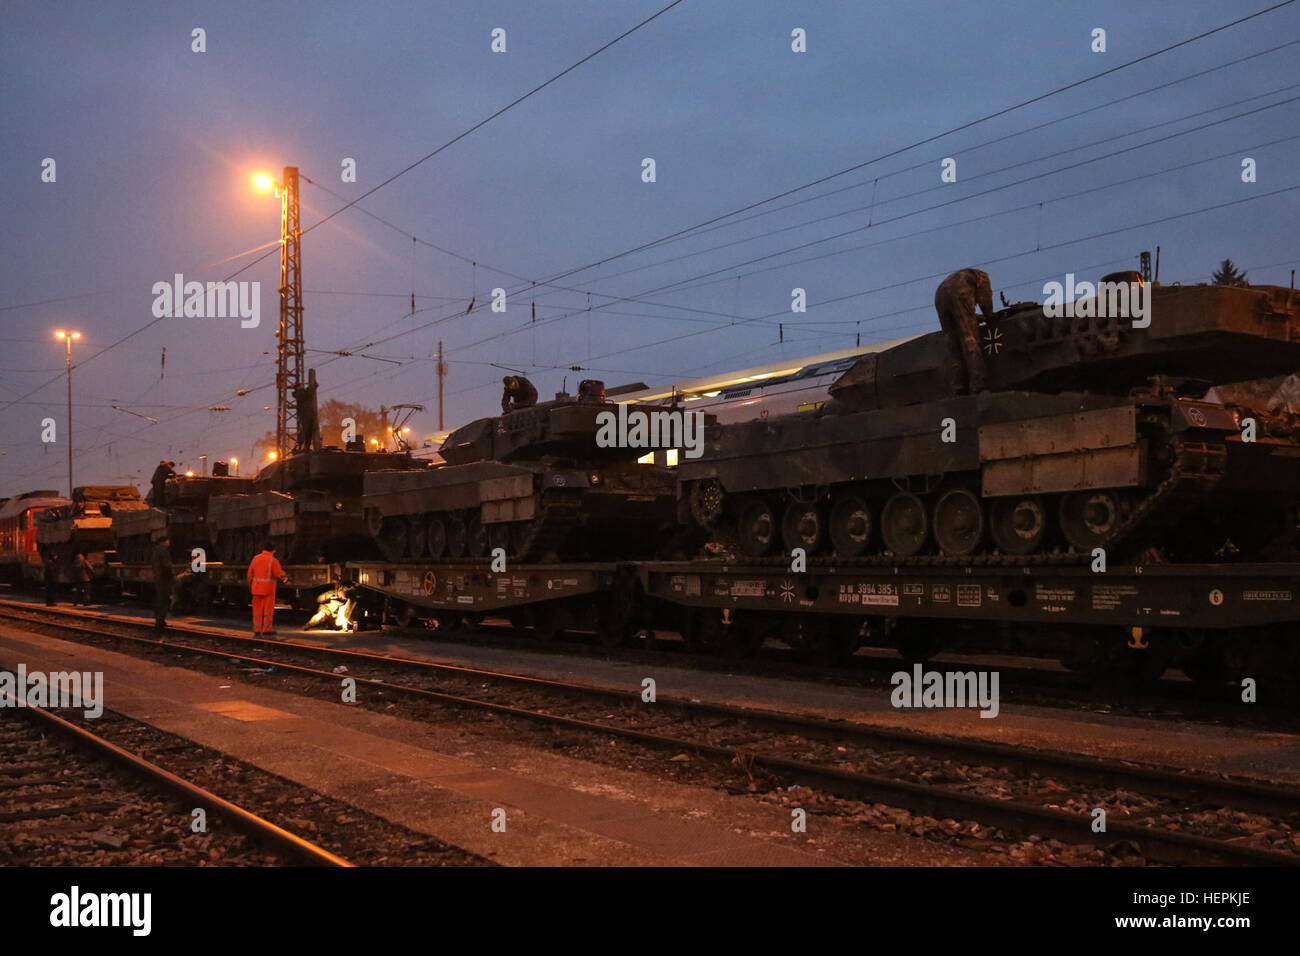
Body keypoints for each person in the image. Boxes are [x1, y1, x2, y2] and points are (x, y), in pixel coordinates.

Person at [934, 268, 994, 394]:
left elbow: (959, 313)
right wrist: (989, 316)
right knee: (970, 339)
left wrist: (975, 316)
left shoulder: (961, 276)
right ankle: (979, 384)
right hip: (959, 288)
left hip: (940, 295)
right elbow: (985, 299)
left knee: (952, 345)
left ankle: (958, 386)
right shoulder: (982, 277)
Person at [247, 541, 287, 636]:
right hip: (268, 590)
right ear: (273, 550)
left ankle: (257, 630)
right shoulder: (273, 560)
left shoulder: (255, 559)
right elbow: (278, 574)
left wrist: (250, 586)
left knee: (257, 611)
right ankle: (266, 630)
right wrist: (285, 577)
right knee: (268, 611)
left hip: (256, 589)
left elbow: (249, 575)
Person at [151, 535, 173, 633]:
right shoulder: (163, 551)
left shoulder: (156, 550)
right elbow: (166, 565)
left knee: (160, 599)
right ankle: (160, 621)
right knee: (164, 599)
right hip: (164, 578)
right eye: (168, 541)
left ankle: (159, 620)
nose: (169, 542)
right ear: (164, 542)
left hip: (159, 578)